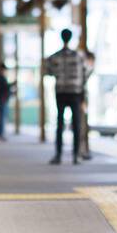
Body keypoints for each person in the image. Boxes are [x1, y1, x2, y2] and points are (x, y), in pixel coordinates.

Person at [44, 28, 89, 165]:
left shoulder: (54, 57)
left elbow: (48, 71)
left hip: (61, 92)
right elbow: (86, 73)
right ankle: (76, 155)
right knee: (76, 124)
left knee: (60, 123)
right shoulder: (79, 56)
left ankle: (58, 155)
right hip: (75, 93)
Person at [79, 50, 95, 161]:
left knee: (82, 126)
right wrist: (83, 100)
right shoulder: (83, 70)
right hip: (81, 100)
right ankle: (81, 150)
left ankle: (81, 150)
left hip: (79, 99)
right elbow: (81, 85)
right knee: (82, 126)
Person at [0, 63, 15, 142]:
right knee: (2, 118)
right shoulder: (0, 77)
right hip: (2, 100)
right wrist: (12, 85)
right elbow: (5, 88)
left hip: (3, 99)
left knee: (1, 118)